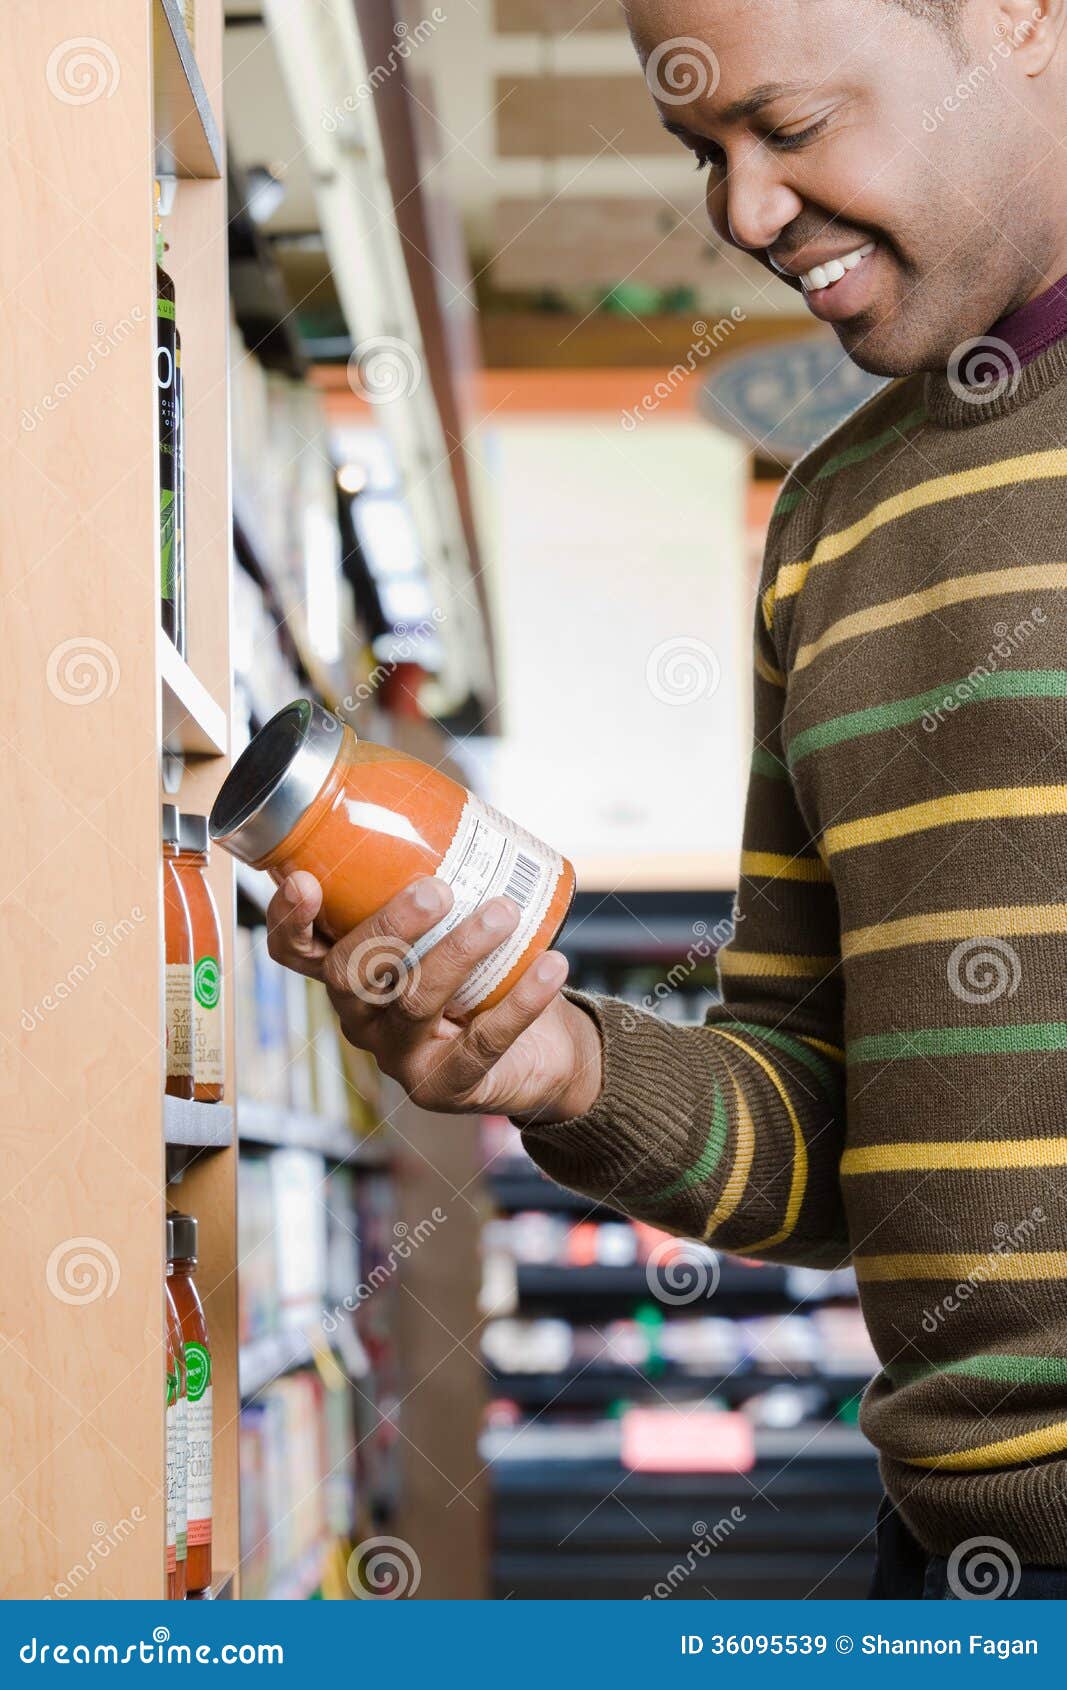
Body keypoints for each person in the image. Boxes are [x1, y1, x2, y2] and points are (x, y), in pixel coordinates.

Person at [268, 0, 1067, 1600]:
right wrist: (561, 1064)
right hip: (953, 1557)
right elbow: (834, 1119)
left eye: (788, 128)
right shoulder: (831, 519)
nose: (743, 214)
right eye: (703, 151)